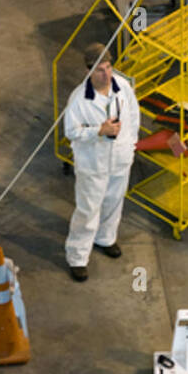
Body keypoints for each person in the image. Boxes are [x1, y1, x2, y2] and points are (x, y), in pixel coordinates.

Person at [63, 43, 140, 282]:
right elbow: (71, 132)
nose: (106, 74)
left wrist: (131, 145)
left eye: (108, 67)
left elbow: (134, 117)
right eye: (99, 70)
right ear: (89, 71)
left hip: (120, 159)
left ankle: (106, 238)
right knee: (88, 210)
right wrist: (99, 130)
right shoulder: (78, 99)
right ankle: (77, 257)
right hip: (93, 164)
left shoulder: (123, 87)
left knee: (114, 202)